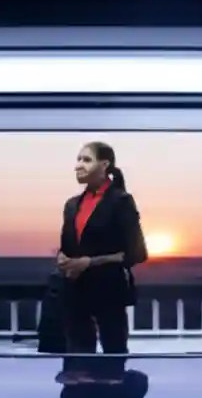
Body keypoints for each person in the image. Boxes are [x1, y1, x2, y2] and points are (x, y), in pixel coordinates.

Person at [56, 141, 148, 354]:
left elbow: (137, 253)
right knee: (77, 361)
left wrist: (90, 262)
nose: (78, 165)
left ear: (104, 164)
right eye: (78, 160)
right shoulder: (71, 205)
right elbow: (67, 247)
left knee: (113, 358)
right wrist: (62, 258)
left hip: (109, 293)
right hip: (75, 294)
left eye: (86, 160)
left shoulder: (121, 201)